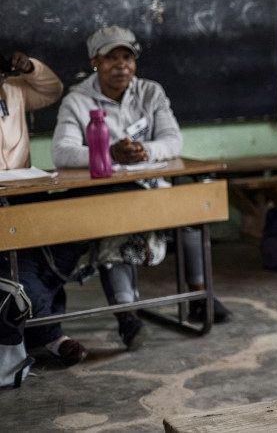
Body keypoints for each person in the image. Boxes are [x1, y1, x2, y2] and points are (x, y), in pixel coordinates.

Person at [51, 26, 230, 351]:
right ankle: (127, 316)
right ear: (95, 62)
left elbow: (173, 139)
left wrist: (146, 151)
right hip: (110, 193)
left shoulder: (151, 92)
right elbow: (61, 153)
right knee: (114, 228)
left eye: (127, 58)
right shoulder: (77, 101)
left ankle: (198, 296)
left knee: (192, 210)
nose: (121, 66)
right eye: (111, 59)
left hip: (153, 186)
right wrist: (108, 152)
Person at [0, 52, 84, 367]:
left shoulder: (16, 89)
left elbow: (51, 89)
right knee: (20, 262)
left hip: (26, 187)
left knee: (59, 245)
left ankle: (39, 325)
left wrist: (30, 67)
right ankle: (52, 335)